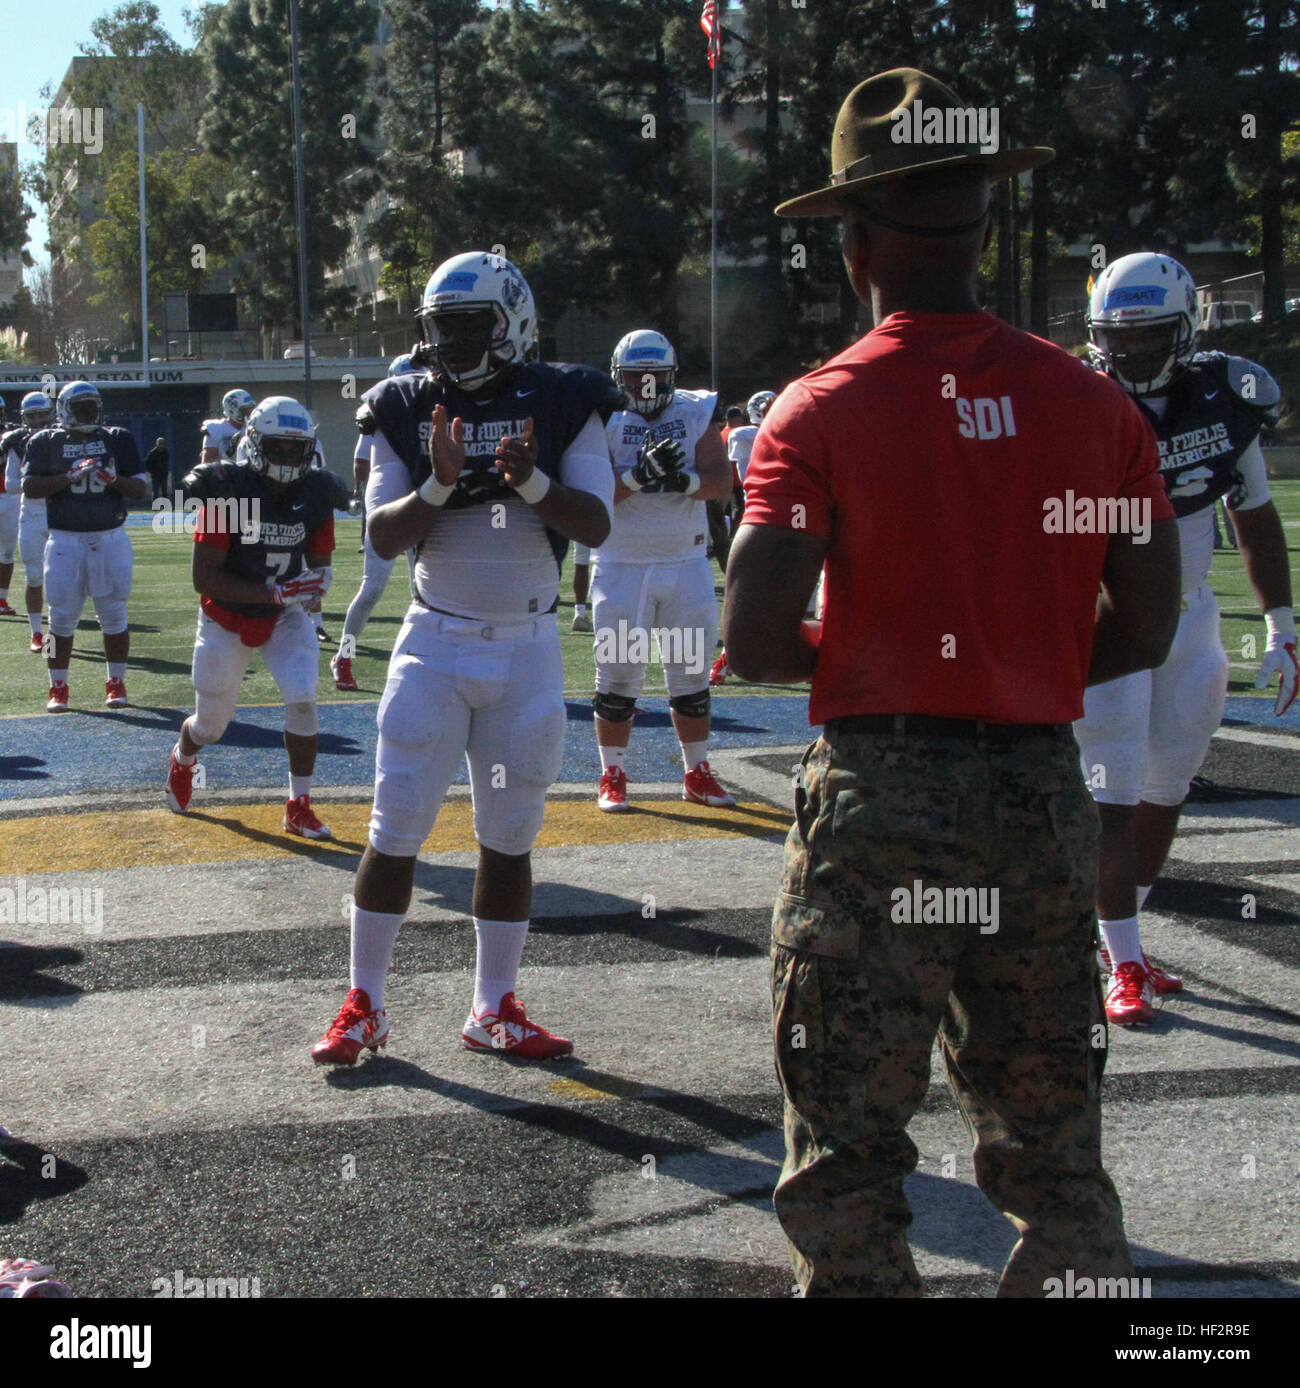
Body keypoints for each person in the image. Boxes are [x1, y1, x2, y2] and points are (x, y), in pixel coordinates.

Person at [724, 67, 1182, 1298]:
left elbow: (758, 637)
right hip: (1039, 792)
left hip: (880, 797)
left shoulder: (819, 409)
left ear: (857, 243)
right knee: (1058, 1151)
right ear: (984, 223)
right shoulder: (1095, 408)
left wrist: (874, 664)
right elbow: (1147, 622)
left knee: (849, 1160)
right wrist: (1016, 660)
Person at [311, 251, 619, 1067]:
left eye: (468, 325)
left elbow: (595, 524)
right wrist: (441, 486)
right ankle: (365, 1003)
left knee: (509, 836)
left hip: (527, 650)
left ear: (511, 321)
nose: (450, 343)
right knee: (396, 827)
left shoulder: (563, 396)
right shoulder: (405, 402)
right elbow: (381, 534)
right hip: (434, 643)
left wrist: (533, 484)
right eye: (440, 326)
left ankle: (493, 1006)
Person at [1075, 252, 1294, 1025]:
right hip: (1102, 612)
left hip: (1193, 611)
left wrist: (1282, 626)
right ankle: (1124, 957)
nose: (1129, 353)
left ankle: (1115, 939)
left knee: (1170, 778)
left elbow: (1256, 513)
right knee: (1113, 780)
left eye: (1148, 337)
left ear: (1188, 328)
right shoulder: (1073, 397)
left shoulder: (1224, 397)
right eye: (1117, 337)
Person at [165, 396, 335, 839]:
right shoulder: (227, 490)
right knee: (211, 726)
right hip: (227, 617)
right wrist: (275, 590)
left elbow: (321, 563)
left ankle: (299, 804)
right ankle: (183, 757)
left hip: (285, 617)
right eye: (277, 447)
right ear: (255, 444)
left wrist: (316, 587)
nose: (286, 458)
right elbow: (205, 577)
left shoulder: (316, 494)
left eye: (295, 449)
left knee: (303, 699)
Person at [589, 329, 736, 812]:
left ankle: (696, 771)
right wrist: (637, 476)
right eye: (637, 376)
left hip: (685, 564)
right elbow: (590, 494)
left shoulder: (694, 410)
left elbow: (720, 481)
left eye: (655, 376)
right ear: (620, 376)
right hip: (621, 565)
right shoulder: (602, 413)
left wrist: (683, 479)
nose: (647, 385)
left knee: (691, 677)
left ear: (671, 375)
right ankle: (613, 773)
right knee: (618, 678)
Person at [21, 381, 149, 710]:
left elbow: (140, 489)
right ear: (64, 409)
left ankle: (116, 682)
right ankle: (57, 686)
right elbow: (30, 487)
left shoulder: (117, 437)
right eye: (81, 407)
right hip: (64, 538)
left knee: (115, 615)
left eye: (92, 406)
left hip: (109, 536)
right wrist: (68, 476)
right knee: (59, 618)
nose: (88, 413)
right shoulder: (45, 441)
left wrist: (113, 479)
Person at [332, 353, 423, 691]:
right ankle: (343, 656)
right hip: (389, 503)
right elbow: (361, 461)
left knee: (424, 591)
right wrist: (361, 493)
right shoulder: (380, 412)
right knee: (373, 588)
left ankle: (421, 660)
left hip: (422, 502)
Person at [710, 389, 777, 687]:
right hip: (761, 519)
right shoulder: (745, 436)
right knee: (750, 592)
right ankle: (728, 659)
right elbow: (748, 478)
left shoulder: (752, 434)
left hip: (777, 521)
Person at [1, 392, 55, 650]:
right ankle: (36, 633)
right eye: (32, 415)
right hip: (32, 514)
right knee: (34, 576)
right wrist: (35, 484)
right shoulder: (17, 442)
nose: (37, 420)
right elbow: (10, 482)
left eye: (41, 414)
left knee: (60, 578)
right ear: (24, 417)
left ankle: (57, 632)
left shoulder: (63, 438)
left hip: (61, 514)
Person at [200, 389, 255, 466]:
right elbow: (206, 462)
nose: (249, 413)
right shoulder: (216, 429)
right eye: (245, 410)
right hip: (227, 475)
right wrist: (226, 454)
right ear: (232, 410)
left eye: (250, 410)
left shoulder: (254, 426)